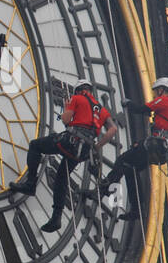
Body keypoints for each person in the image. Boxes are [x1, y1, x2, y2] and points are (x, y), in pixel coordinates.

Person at [10, 81, 118, 233]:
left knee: (35, 146)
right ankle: (56, 218)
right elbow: (113, 129)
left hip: (70, 141)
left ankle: (30, 184)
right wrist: (98, 145)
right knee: (62, 177)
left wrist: (67, 109)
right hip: (84, 150)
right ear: (90, 90)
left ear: (79, 90)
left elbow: (66, 120)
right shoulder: (100, 109)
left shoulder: (77, 99)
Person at [99, 76, 168, 220]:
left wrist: (128, 103)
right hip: (164, 151)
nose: (155, 95)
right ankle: (136, 210)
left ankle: (104, 188)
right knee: (130, 168)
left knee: (123, 159)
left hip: (156, 144)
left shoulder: (165, 100)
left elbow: (141, 109)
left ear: (162, 90)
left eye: (156, 91)